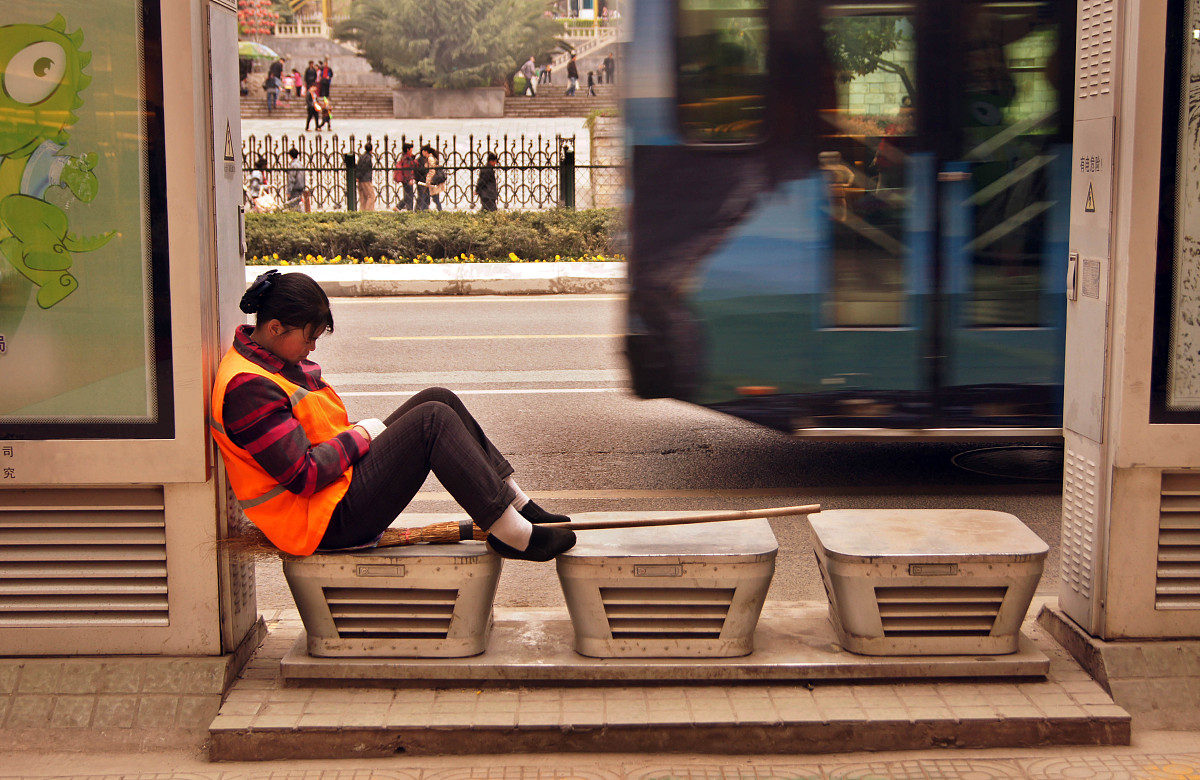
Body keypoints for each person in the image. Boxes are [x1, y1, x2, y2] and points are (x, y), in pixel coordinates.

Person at [211, 270, 577, 561]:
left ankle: (517, 505)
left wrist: (358, 436)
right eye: (308, 338)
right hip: (324, 522)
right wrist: (361, 436)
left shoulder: (270, 360)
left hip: (336, 491)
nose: (313, 347)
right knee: (432, 421)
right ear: (275, 328)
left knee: (439, 399)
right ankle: (513, 534)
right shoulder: (248, 387)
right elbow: (304, 476)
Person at [393, 142, 416, 211]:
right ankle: (407, 210)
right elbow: (407, 170)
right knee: (409, 196)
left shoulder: (405, 157)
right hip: (407, 179)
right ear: (408, 149)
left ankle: (399, 207)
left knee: (408, 195)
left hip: (405, 179)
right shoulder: (407, 159)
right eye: (411, 149)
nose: (412, 150)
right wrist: (409, 179)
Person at [423, 146, 447, 212]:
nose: (422, 153)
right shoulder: (431, 158)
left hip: (432, 181)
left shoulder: (430, 158)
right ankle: (425, 211)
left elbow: (432, 171)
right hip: (433, 181)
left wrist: (428, 180)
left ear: (426, 151)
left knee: (434, 198)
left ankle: (440, 211)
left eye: (423, 151)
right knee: (429, 197)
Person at [287, 148, 310, 212]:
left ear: (290, 156)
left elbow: (291, 178)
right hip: (301, 186)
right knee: (298, 203)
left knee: (293, 206)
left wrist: (289, 191)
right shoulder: (300, 164)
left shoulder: (293, 165)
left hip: (295, 187)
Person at [355, 142, 375, 211]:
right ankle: (369, 212)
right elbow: (364, 168)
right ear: (371, 149)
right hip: (365, 179)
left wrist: (357, 176)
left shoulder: (362, 156)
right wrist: (359, 176)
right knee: (371, 196)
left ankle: (362, 211)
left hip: (360, 179)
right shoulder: (368, 158)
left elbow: (358, 166)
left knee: (363, 197)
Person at [414, 146, 430, 210]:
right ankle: (418, 209)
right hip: (421, 180)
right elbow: (421, 170)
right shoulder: (421, 160)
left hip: (422, 180)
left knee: (425, 195)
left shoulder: (424, 159)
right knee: (422, 195)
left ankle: (424, 208)